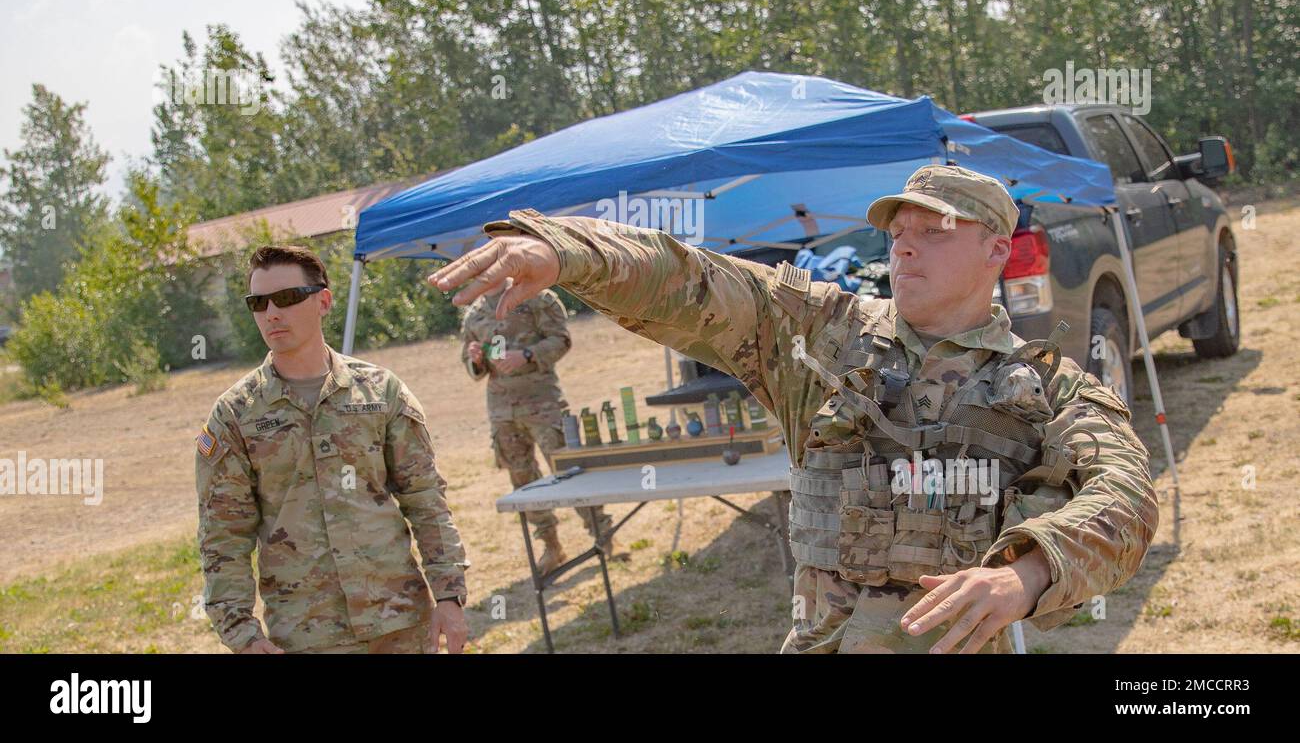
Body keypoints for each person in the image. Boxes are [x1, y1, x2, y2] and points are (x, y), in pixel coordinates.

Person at [429, 165, 1159, 653]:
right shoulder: (822, 336)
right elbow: (700, 281)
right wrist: (572, 255)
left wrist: (1026, 573)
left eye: (933, 231)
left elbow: (1125, 496)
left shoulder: (1052, 388)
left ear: (998, 250)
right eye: (897, 232)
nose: (904, 248)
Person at [196, 244, 470, 654]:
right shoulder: (236, 414)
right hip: (307, 634)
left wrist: (449, 595)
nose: (272, 313)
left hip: (400, 622)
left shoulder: (380, 392)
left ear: (323, 301)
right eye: (258, 302)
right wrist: (242, 635)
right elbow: (223, 536)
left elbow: (424, 497)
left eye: (287, 298)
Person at [461, 286, 613, 575]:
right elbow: (471, 368)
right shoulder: (474, 313)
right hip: (503, 410)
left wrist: (527, 354)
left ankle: (602, 535)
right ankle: (551, 546)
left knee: (568, 471)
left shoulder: (534, 297)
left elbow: (561, 340)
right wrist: (476, 359)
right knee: (524, 483)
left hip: (543, 403)